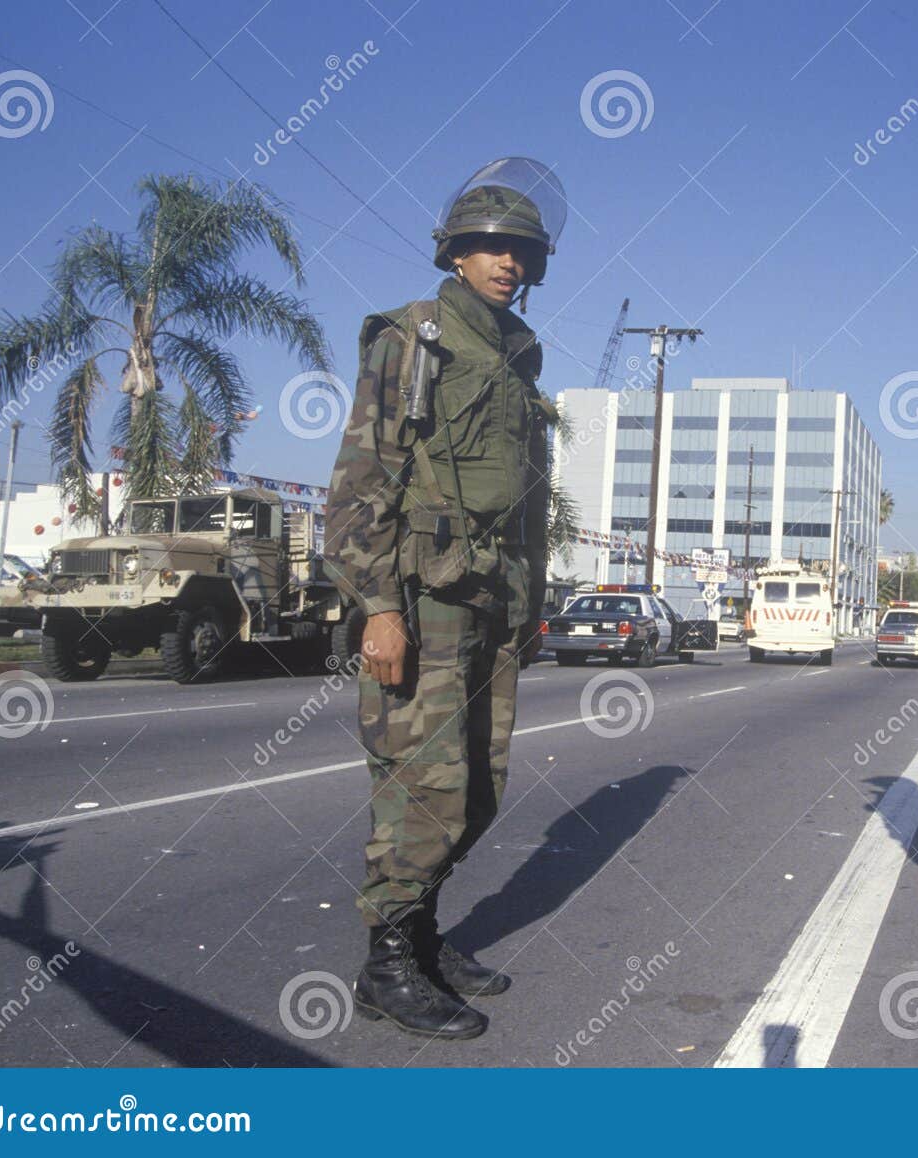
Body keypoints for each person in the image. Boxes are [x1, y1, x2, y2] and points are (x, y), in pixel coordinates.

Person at [323, 158, 565, 1040]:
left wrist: (531, 602)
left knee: (477, 789)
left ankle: (423, 935)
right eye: (490, 247)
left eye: (521, 252)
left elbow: (530, 495)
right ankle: (387, 963)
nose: (507, 263)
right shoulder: (415, 337)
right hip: (423, 604)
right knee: (422, 787)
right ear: (457, 253)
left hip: (492, 600)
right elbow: (360, 481)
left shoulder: (515, 355)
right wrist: (377, 608)